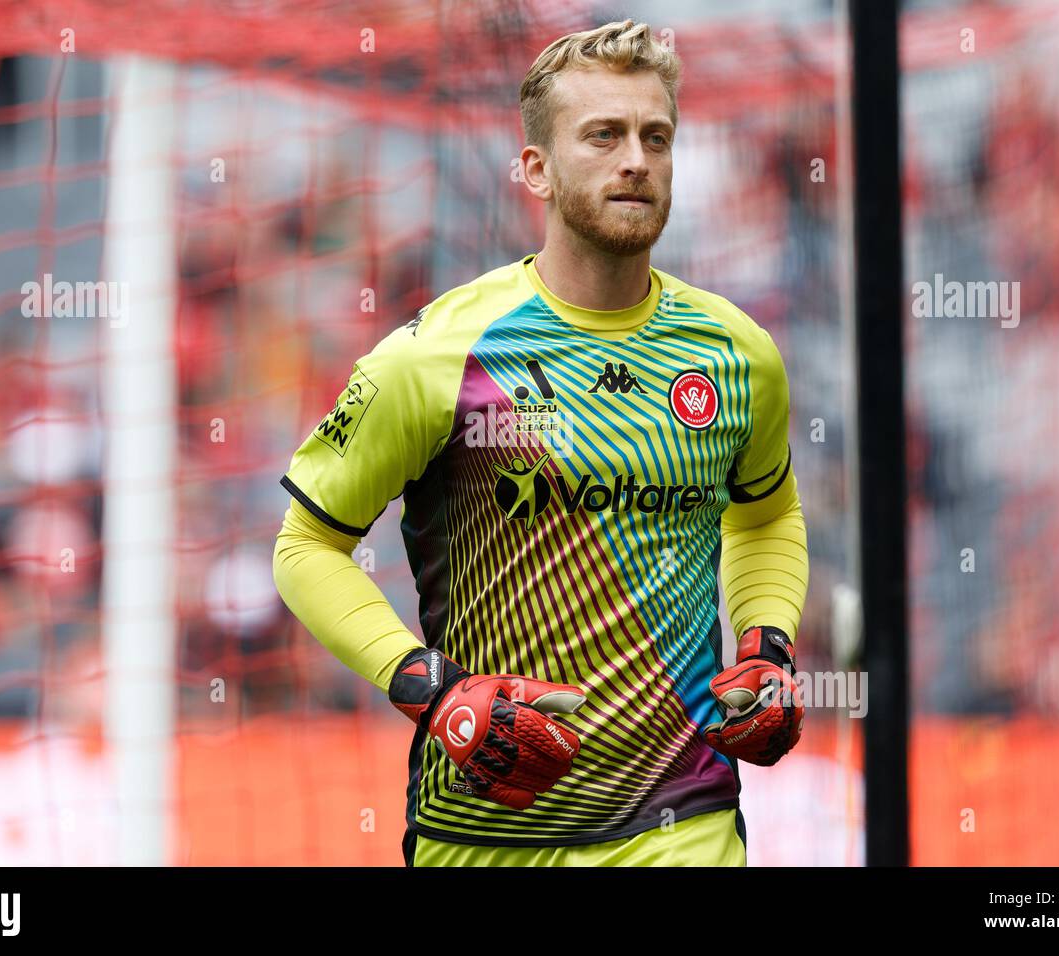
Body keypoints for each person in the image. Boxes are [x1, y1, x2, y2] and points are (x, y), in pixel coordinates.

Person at [273, 19, 809, 867]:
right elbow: (307, 546)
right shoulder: (435, 356)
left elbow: (766, 516)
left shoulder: (738, 354)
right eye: (603, 135)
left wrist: (767, 646)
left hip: (682, 824)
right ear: (536, 170)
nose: (636, 158)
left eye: (655, 137)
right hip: (482, 832)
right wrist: (432, 691)